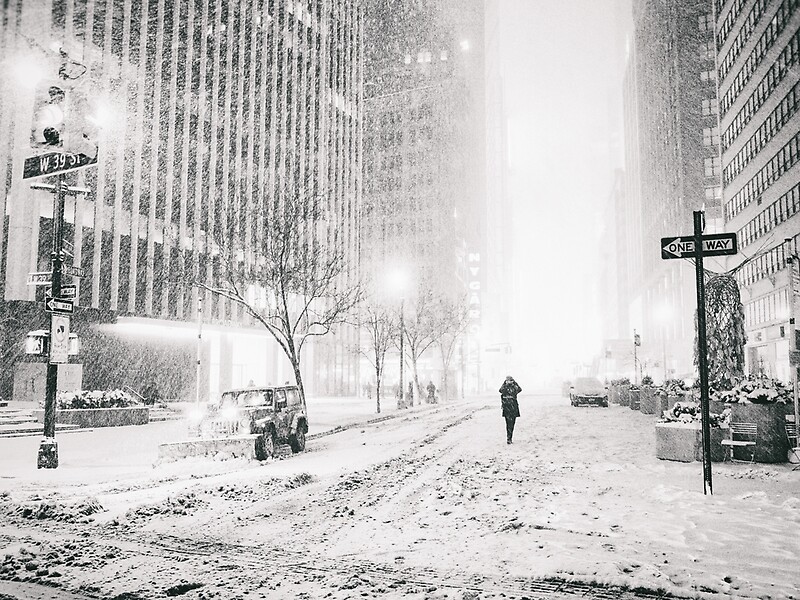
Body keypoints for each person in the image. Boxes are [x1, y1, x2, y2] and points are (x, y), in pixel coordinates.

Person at [499, 375, 522, 444]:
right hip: (507, 407)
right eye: (507, 380)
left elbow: (519, 389)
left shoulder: (514, 387)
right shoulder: (505, 388)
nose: (508, 382)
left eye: (510, 380)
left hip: (513, 407)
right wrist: (504, 383)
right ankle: (509, 438)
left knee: (512, 423)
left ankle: (510, 437)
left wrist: (514, 383)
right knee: (508, 423)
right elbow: (500, 390)